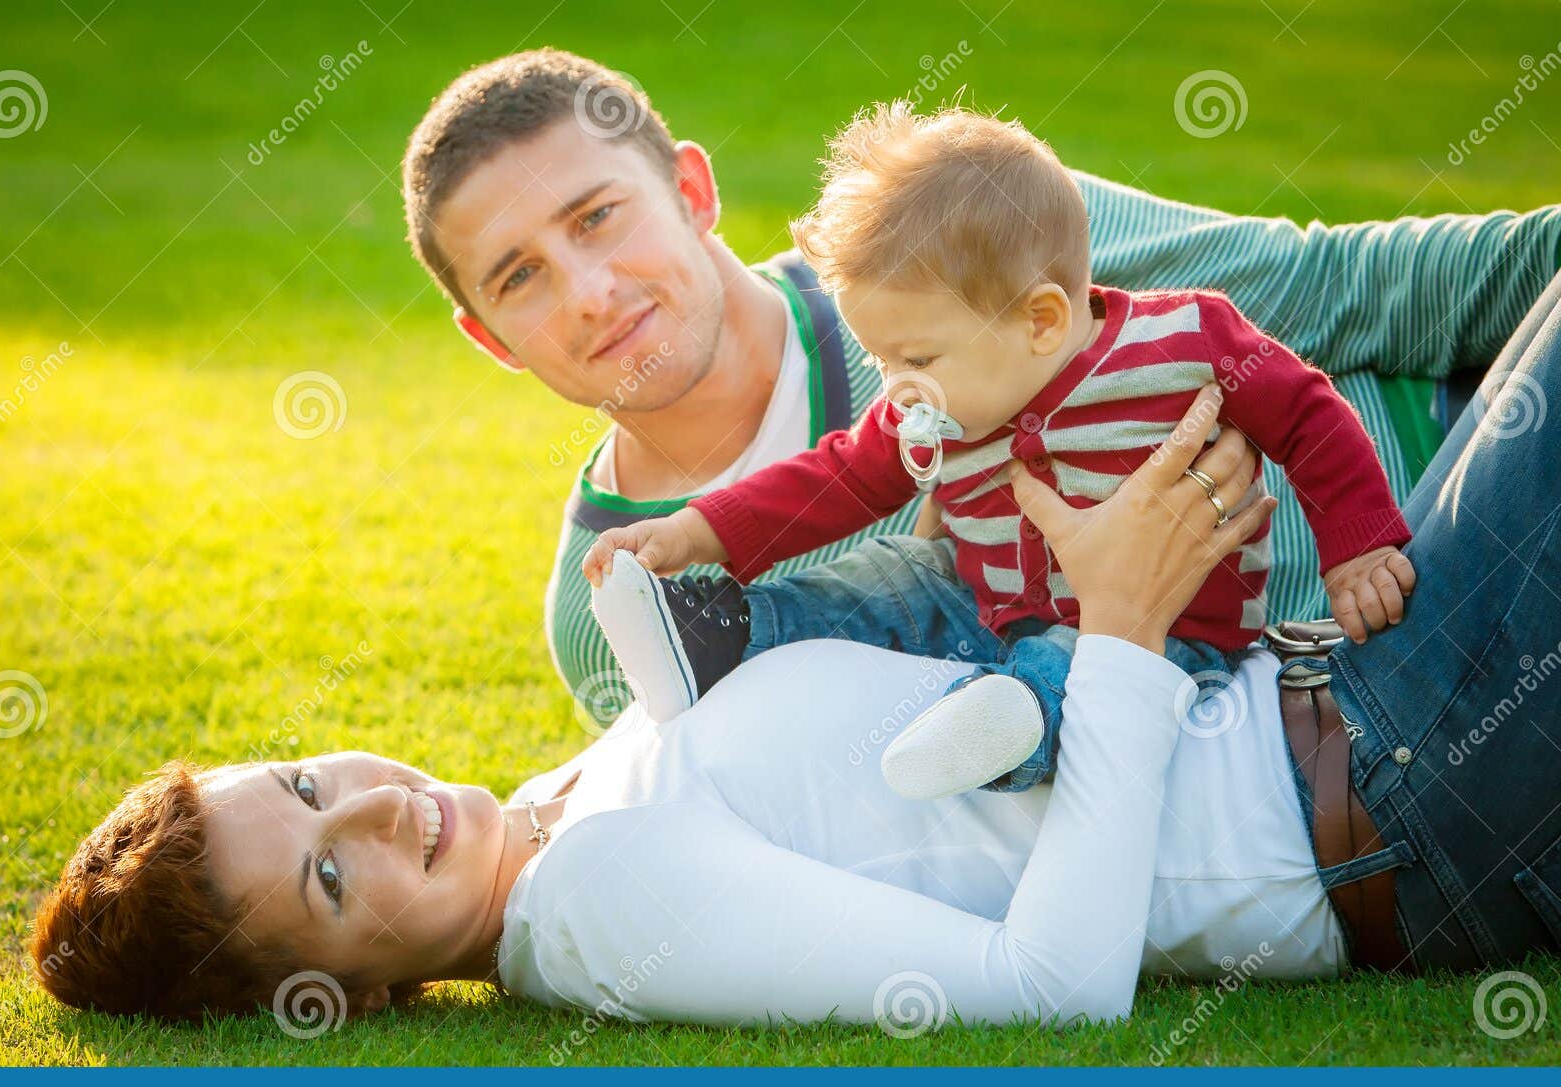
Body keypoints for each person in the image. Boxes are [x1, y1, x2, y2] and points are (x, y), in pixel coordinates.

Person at [30, 271, 1561, 1025]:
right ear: (336, 996)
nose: (372, 809)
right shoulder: (596, 907)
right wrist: (1124, 628)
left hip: (1359, 702)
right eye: (325, 877)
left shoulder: (582, 790)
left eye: (304, 781)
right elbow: (1051, 986)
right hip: (1389, 797)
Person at [400, 49, 1561, 726]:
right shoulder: (609, 614)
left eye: (598, 215)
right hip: (1354, 734)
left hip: (1469, 474)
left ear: (691, 191)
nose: (592, 291)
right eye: (522, 277)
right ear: (487, 336)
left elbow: (1363, 287)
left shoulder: (955, 236)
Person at [579, 102, 1414, 801]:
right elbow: (835, 480)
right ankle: (726, 635)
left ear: (1042, 320)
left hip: (1163, 632)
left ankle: (1004, 731)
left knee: (1063, 665)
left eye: (917, 358)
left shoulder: (1187, 338)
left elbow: (1308, 415)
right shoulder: (932, 411)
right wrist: (697, 533)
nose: (895, 386)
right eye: (879, 358)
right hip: (979, 604)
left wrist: (1358, 542)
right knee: (889, 575)